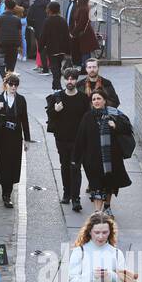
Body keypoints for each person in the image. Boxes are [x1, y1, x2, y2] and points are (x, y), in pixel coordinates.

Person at [73, 91, 133, 217]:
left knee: (109, 184)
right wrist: (76, 158)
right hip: (92, 159)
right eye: (94, 99)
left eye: (98, 98)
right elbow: (80, 138)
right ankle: (97, 213)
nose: (96, 101)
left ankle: (107, 206)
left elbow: (128, 129)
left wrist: (115, 126)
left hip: (111, 159)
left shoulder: (114, 115)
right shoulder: (87, 117)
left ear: (104, 100)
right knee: (96, 185)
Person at [47, 65, 89, 213]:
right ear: (64, 80)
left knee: (75, 168)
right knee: (64, 166)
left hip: (78, 141)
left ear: (77, 80)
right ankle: (66, 193)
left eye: (73, 78)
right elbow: (50, 117)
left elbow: (87, 119)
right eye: (67, 78)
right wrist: (55, 110)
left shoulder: (83, 98)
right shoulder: (56, 97)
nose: (70, 81)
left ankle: (76, 198)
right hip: (62, 139)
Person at [0, 71, 31, 208]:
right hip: (2, 137)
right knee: (3, 165)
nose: (13, 87)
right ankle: (5, 194)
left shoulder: (21, 99)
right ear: (5, 85)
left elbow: (25, 120)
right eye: (11, 84)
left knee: (13, 165)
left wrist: (27, 139)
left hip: (16, 137)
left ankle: (8, 193)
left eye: (16, 85)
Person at [38, 0, 72, 89]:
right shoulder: (63, 21)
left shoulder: (47, 21)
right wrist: (68, 50)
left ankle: (57, 86)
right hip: (61, 48)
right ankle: (55, 85)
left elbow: (43, 35)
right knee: (58, 65)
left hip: (52, 48)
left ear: (49, 10)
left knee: (54, 68)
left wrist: (40, 47)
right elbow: (66, 36)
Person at [69, 0, 100, 65]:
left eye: (78, 0)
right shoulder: (85, 8)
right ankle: (86, 66)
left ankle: (86, 67)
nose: (77, 1)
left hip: (84, 34)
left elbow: (81, 23)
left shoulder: (82, 9)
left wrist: (73, 33)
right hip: (86, 33)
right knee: (86, 50)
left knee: (85, 51)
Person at [0, 0, 22, 76]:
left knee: (1, 65)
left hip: (2, 44)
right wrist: (20, 45)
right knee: (11, 66)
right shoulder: (17, 19)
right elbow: (20, 34)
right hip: (13, 45)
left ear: (5, 7)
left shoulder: (0, 18)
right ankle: (9, 79)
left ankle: (4, 78)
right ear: (14, 8)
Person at [27, 0, 51, 73]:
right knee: (49, 48)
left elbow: (29, 17)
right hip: (49, 28)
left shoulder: (34, 4)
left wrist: (33, 26)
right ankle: (49, 65)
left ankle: (43, 66)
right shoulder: (49, 3)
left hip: (38, 28)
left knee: (40, 48)